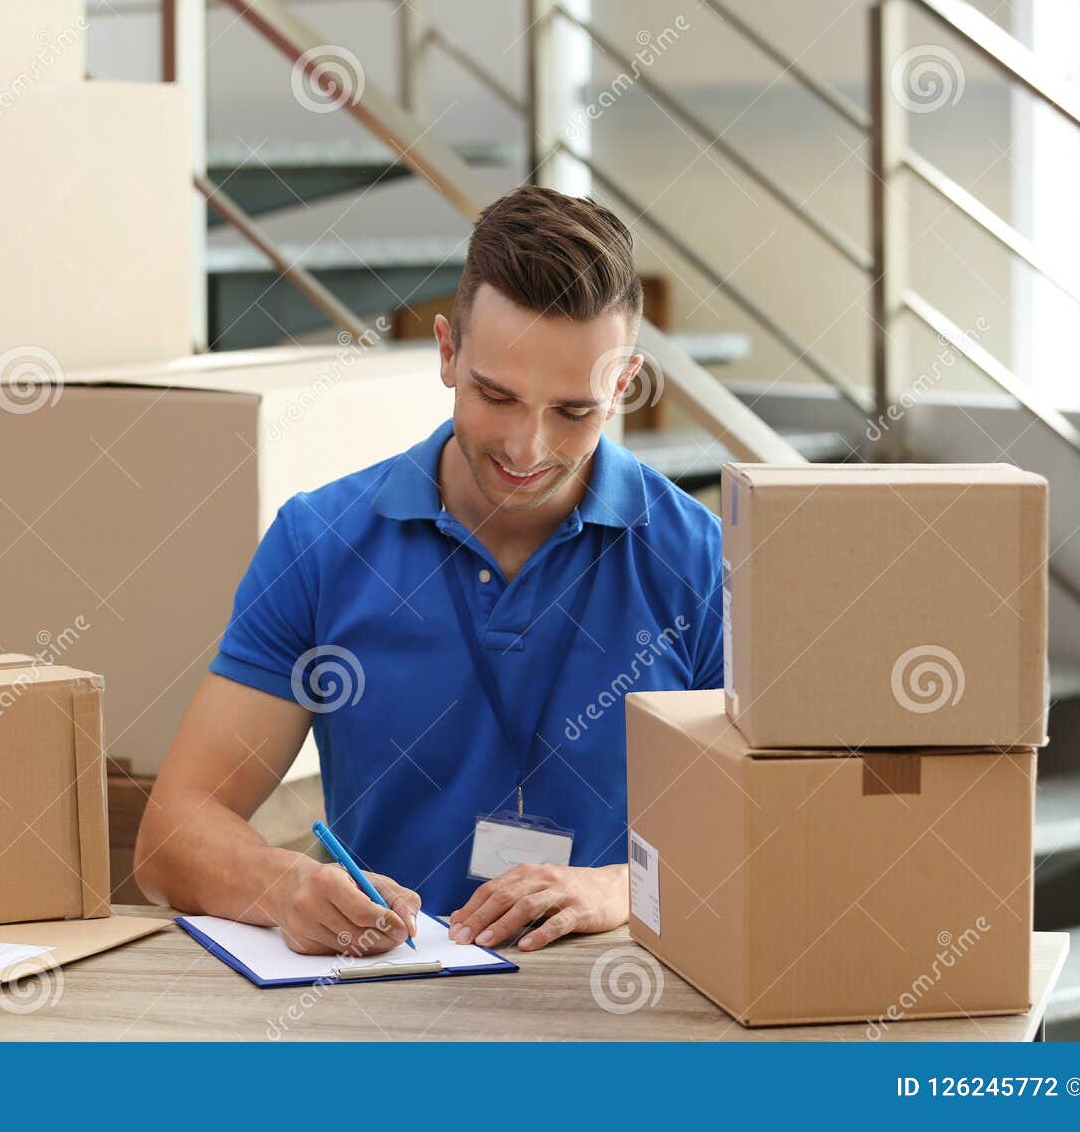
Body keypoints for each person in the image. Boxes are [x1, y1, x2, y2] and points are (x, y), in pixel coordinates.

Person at [135, 184, 724, 956]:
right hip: (387, 1003)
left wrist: (621, 886)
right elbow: (170, 836)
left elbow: (786, 832)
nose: (527, 447)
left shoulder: (699, 559)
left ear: (623, 384)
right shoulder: (320, 544)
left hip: (623, 1013)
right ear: (446, 353)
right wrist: (284, 886)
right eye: (497, 395)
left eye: (573, 411)